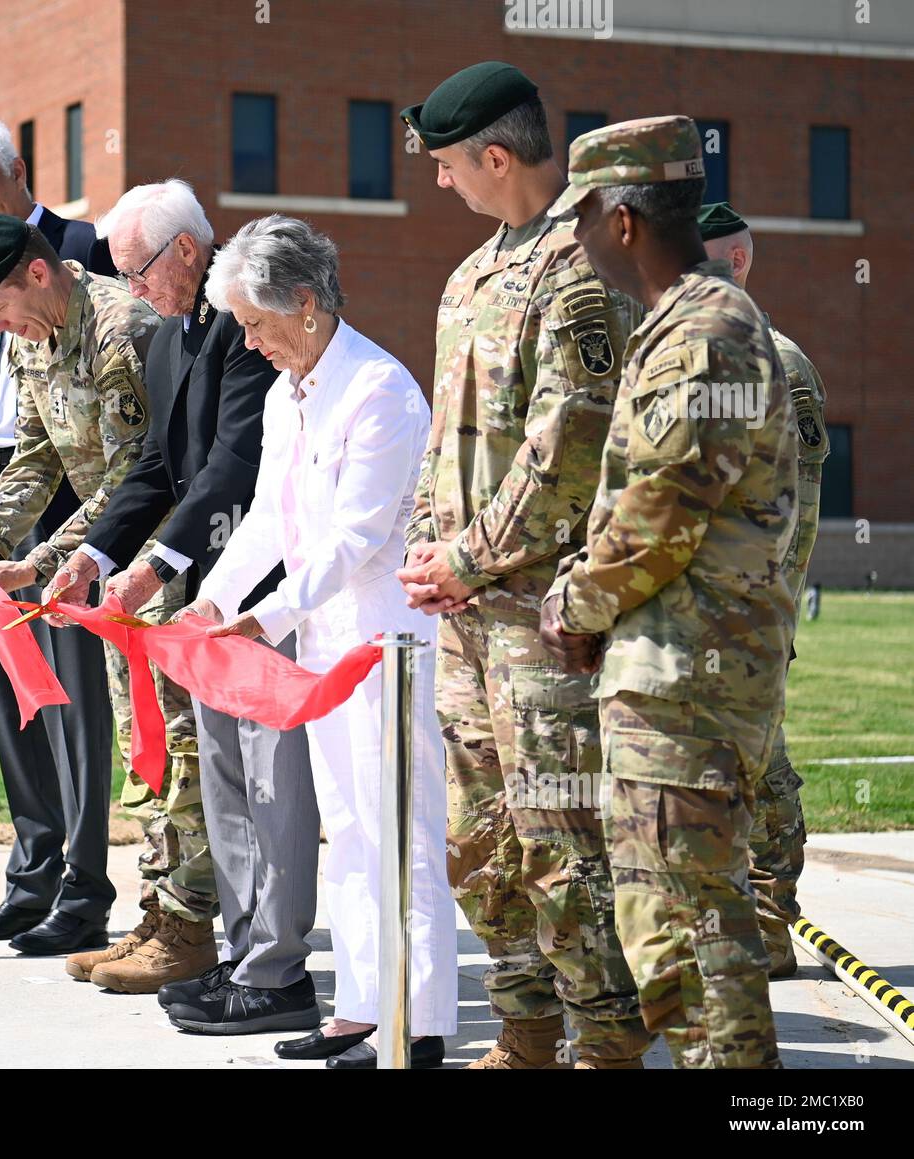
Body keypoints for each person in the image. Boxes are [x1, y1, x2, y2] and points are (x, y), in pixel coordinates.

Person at [397, 61, 648, 1068]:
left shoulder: (584, 267)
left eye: (449, 166)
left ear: (495, 156)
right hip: (464, 619)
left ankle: (603, 1042)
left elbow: (568, 447)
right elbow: (444, 438)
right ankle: (526, 1030)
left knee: (563, 852)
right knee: (480, 849)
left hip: (543, 622)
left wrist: (464, 556)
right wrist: (428, 546)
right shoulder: (471, 275)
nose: (442, 184)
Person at [540, 116, 798, 1069]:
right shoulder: (682, 322)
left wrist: (572, 604)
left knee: (690, 926)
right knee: (672, 917)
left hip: (692, 674)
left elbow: (661, 510)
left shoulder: (707, 331)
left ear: (619, 218)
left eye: (581, 220)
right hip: (668, 671)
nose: (573, 241)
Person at [190, 215, 458, 1069]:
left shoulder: (379, 389)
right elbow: (271, 515)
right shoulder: (285, 392)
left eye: (256, 321)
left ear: (304, 304)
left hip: (388, 647)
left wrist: (262, 617)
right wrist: (213, 597)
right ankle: (360, 1009)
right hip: (321, 649)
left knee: (401, 832)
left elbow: (353, 535)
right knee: (345, 829)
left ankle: (420, 1021)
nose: (248, 339)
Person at [49, 180, 317, 1019]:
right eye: (121, 276)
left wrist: (156, 567)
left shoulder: (247, 327)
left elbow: (233, 464)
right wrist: (93, 554)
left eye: (137, 271)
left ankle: (273, 965)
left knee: (271, 793)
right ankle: (236, 954)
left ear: (188, 252)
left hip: (257, 592)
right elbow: (159, 471)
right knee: (222, 783)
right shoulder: (168, 338)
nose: (132, 290)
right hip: (205, 589)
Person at [0, 214, 166, 964]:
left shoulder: (120, 329)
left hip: (159, 561)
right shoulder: (27, 336)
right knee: (145, 745)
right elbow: (34, 460)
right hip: (100, 560)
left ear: (39, 273)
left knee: (170, 749)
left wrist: (36, 563)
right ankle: (123, 907)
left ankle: (183, 920)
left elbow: (138, 478)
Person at [0, 115, 117, 950]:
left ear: (19, 173)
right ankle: (32, 872)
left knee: (75, 691)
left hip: (79, 485)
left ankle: (85, 878)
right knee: (12, 694)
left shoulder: (91, 245)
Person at [699, 201, 830, 978]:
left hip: (749, 609)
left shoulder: (782, 362)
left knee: (761, 761)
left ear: (737, 263)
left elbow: (798, 516)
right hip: (699, 604)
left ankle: (773, 923)